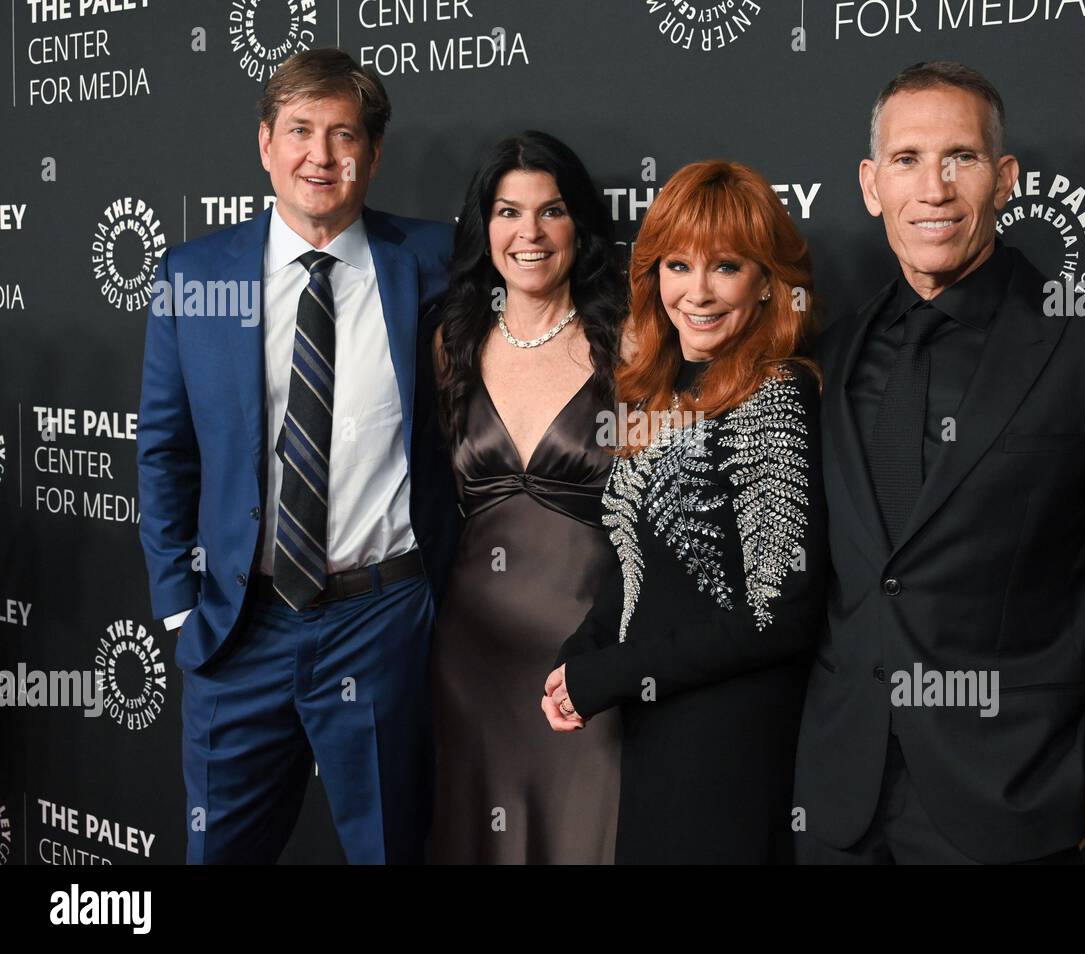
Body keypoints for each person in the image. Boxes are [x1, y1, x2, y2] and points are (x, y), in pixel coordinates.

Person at [793, 61, 1085, 864]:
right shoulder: (827, 360)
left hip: (1013, 803)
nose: (933, 189)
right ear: (871, 186)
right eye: (907, 160)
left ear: (1005, 178)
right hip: (840, 801)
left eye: (961, 158)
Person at [136, 48, 460, 864]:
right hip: (237, 625)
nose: (321, 155)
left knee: (391, 850)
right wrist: (180, 602)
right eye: (301, 131)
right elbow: (165, 450)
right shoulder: (194, 275)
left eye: (344, 135)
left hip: (380, 620)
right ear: (265, 145)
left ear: (374, 156)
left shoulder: (435, 262)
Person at [542, 160, 828, 864]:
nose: (695, 293)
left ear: (768, 283)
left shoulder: (778, 395)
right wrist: (583, 651)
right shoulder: (663, 394)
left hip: (734, 738)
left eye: (725, 267)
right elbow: (642, 567)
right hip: (658, 727)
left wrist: (613, 672)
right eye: (676, 265)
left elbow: (777, 612)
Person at [428, 131, 626, 864]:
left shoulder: (628, 344)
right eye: (509, 212)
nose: (530, 234)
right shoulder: (451, 342)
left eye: (552, 212)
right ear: (485, 227)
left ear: (580, 226)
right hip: (471, 658)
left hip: (588, 657)